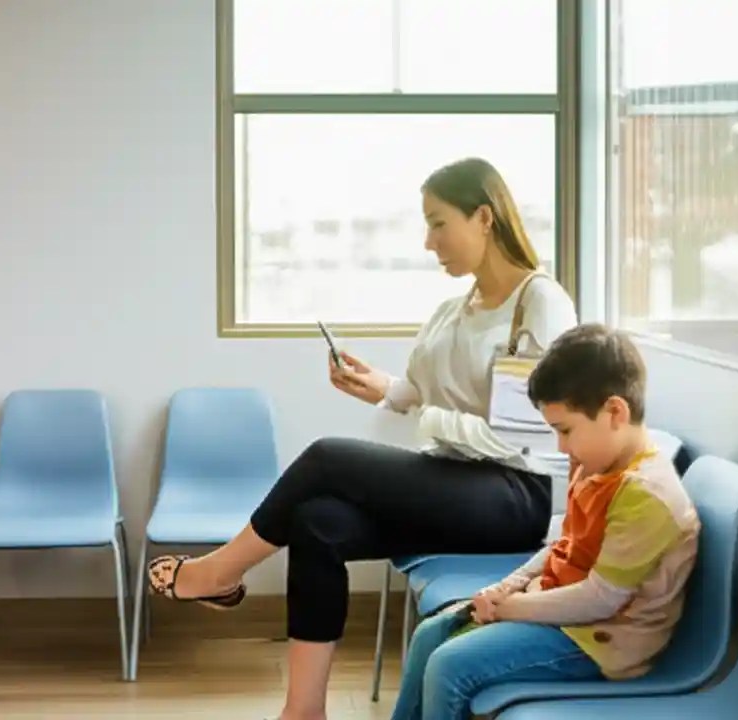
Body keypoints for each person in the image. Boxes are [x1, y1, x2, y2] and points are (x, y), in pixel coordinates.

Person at [144, 157, 578, 720]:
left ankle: (220, 571)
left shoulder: (539, 302)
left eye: (438, 222)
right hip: (458, 483)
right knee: (317, 522)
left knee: (327, 456)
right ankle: (304, 711)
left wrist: (429, 420)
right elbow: (423, 393)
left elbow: (523, 436)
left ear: (484, 217)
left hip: (517, 495)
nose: (429, 241)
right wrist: (377, 387)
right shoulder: (454, 310)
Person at [389, 323, 703, 720]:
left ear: (614, 412)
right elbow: (563, 545)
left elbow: (600, 599)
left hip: (602, 639)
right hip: (564, 614)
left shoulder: (648, 495)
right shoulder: (596, 465)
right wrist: (505, 588)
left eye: (566, 430)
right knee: (429, 635)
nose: (561, 446)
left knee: (449, 666)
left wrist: (508, 608)